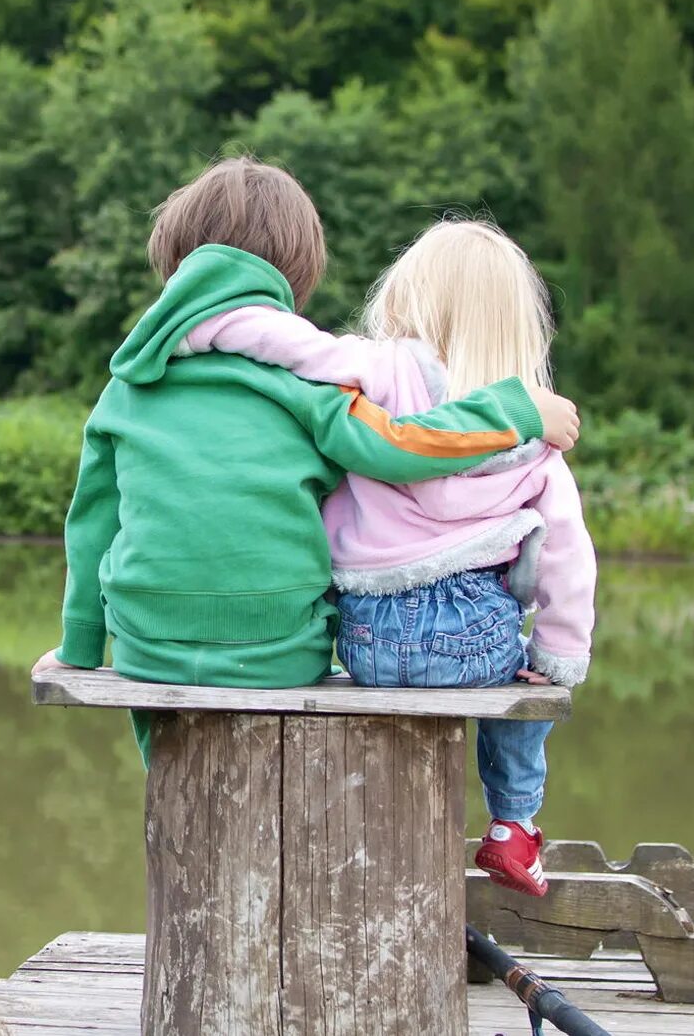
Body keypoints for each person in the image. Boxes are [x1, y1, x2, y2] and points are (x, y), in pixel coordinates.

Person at [31, 157, 580, 803]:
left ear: (173, 262)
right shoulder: (306, 380)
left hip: (147, 649)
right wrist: (511, 410)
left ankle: (173, 790)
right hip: (280, 652)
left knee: (160, 666)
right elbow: (394, 449)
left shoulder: (128, 385)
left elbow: (92, 524)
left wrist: (80, 647)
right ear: (299, 271)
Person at [170, 218, 597, 897]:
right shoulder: (536, 429)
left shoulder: (381, 369)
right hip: (473, 645)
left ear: (410, 296)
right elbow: (568, 564)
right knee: (528, 683)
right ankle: (514, 824)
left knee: (510, 669)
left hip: (368, 640)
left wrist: (198, 330)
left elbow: (287, 342)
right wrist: (558, 661)